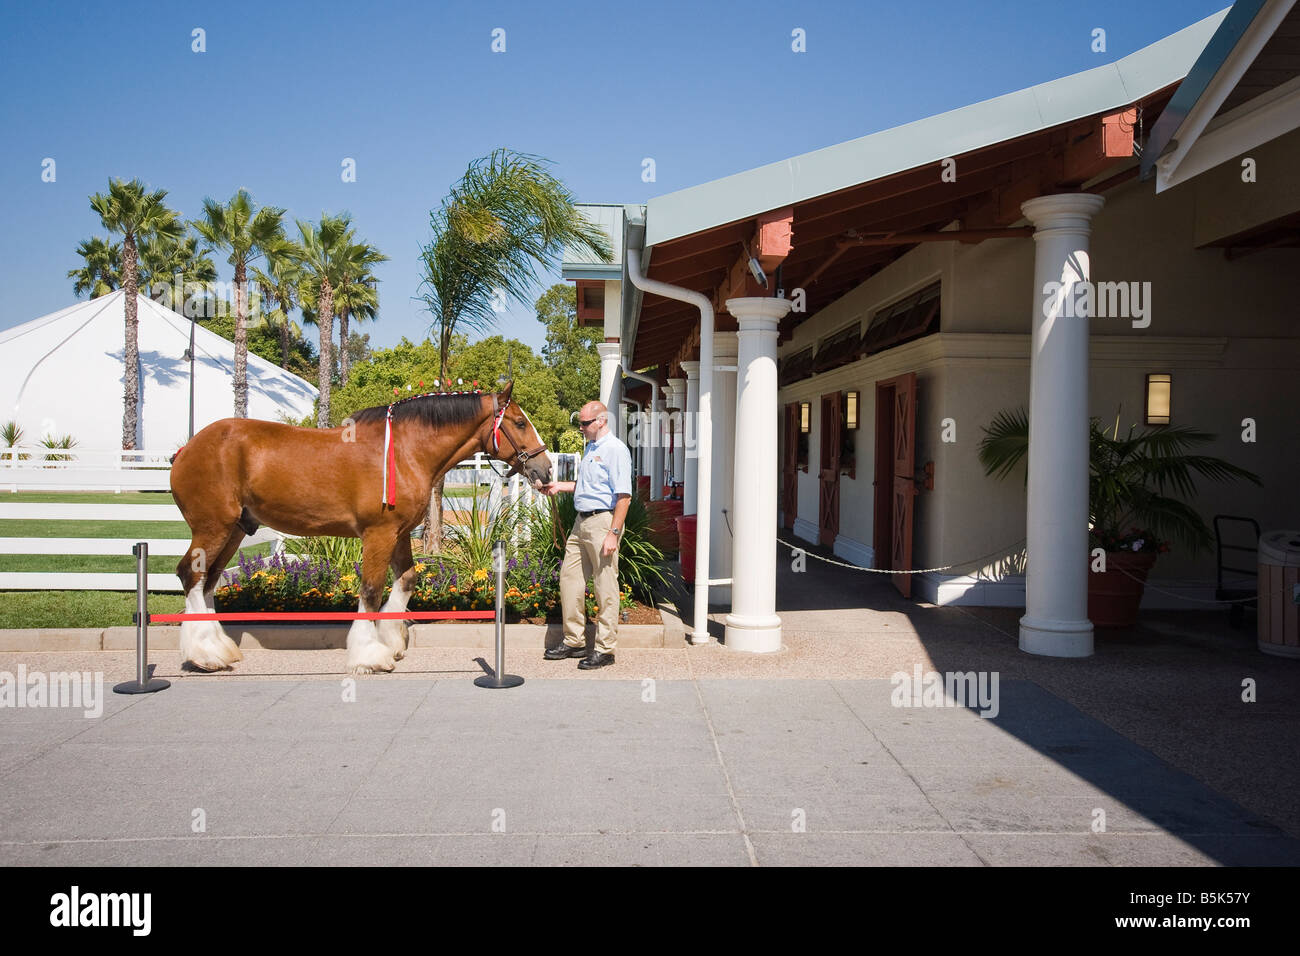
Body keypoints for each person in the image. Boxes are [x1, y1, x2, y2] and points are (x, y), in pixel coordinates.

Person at [537, 400, 632, 669]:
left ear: (601, 421)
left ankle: (605, 649)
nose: (581, 428)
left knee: (605, 586)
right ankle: (574, 641)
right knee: (570, 580)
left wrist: (613, 533)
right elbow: (588, 485)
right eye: (579, 423)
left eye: (585, 423)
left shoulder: (616, 450)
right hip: (581, 522)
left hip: (604, 521)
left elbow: (624, 497)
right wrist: (559, 486)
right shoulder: (591, 448)